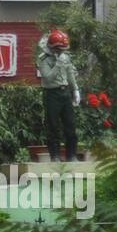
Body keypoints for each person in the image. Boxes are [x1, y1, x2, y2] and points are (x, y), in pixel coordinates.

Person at [37, 30, 80, 163]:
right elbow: (48, 78)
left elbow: (70, 74)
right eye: (59, 49)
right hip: (52, 94)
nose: (62, 51)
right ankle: (55, 156)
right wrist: (58, 64)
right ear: (53, 47)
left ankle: (71, 155)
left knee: (70, 125)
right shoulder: (43, 59)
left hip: (65, 92)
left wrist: (75, 90)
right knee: (53, 126)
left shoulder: (65, 56)